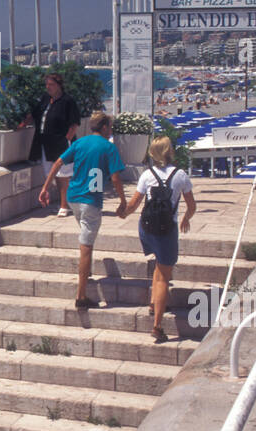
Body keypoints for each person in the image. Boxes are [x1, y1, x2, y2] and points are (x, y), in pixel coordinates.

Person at [38, 111, 126, 310]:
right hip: (90, 202)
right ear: (104, 128)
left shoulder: (80, 143)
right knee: (85, 247)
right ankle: (81, 295)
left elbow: (59, 162)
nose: (111, 131)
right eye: (110, 127)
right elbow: (116, 178)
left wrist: (46, 187)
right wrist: (122, 201)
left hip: (73, 198)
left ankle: (86, 273)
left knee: (87, 240)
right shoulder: (108, 147)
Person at [118, 136, 196, 342]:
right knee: (163, 276)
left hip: (146, 228)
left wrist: (123, 213)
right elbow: (192, 205)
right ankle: (157, 326)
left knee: (158, 267)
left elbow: (134, 204)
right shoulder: (181, 176)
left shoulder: (146, 175)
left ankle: (154, 303)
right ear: (170, 152)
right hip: (166, 230)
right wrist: (185, 219)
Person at [26, 73, 81, 217]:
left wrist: (66, 140)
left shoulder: (68, 101)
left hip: (61, 144)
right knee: (53, 174)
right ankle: (64, 203)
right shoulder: (45, 99)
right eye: (47, 84)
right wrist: (20, 124)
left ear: (59, 85)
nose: (48, 87)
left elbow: (74, 123)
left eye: (51, 84)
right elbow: (34, 114)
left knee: (63, 175)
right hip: (46, 143)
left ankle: (64, 206)